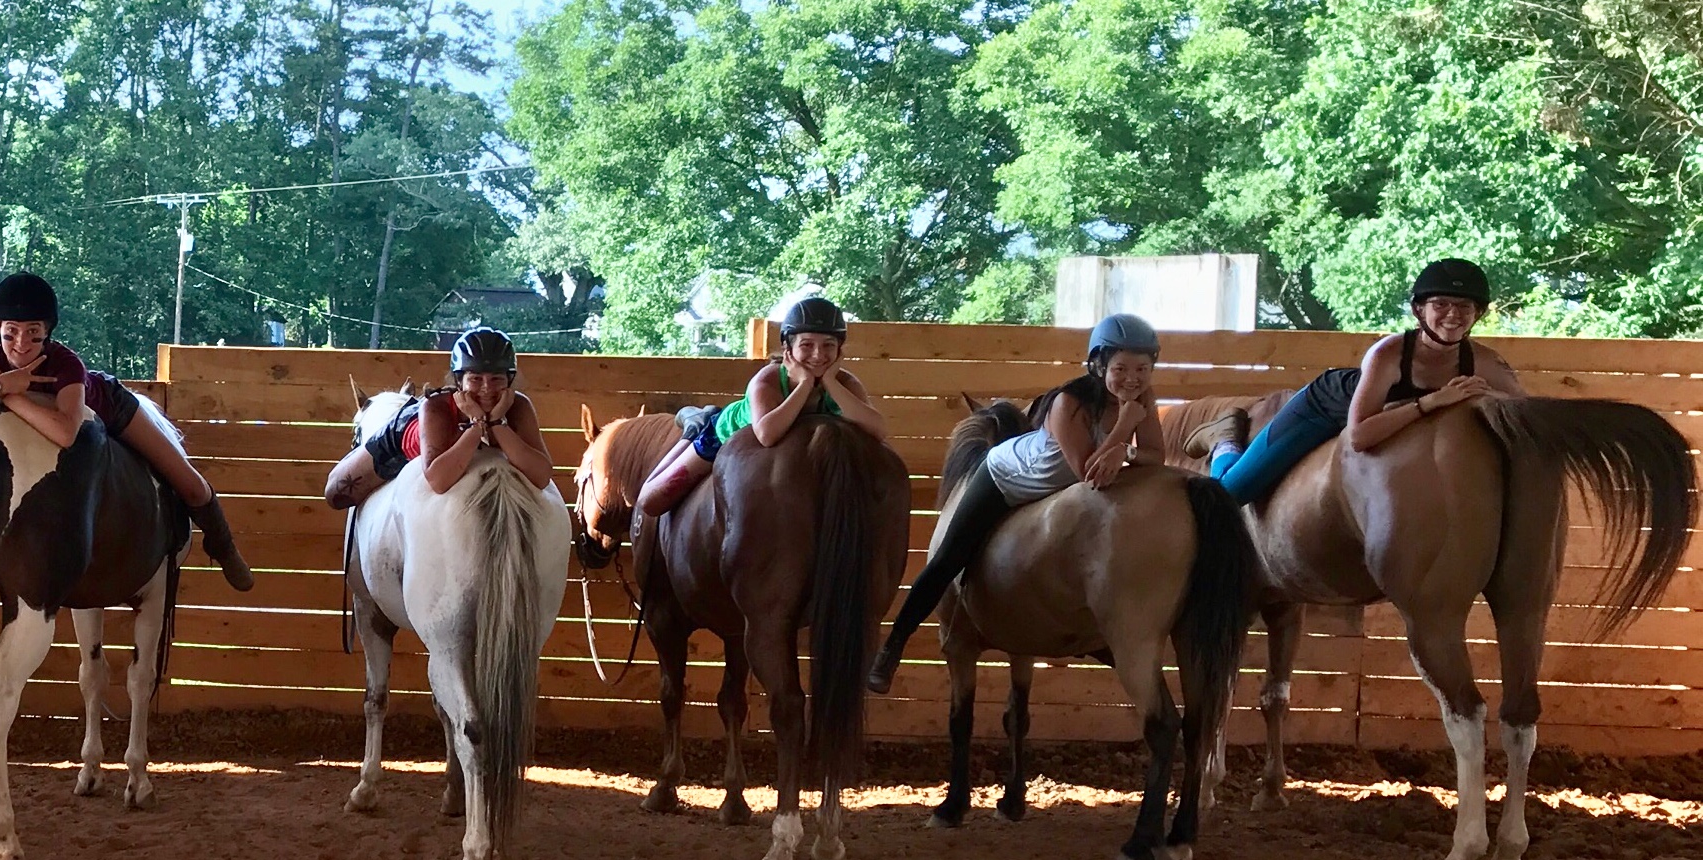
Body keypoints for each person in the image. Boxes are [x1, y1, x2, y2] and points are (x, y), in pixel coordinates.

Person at [868, 313, 1170, 693]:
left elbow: (1156, 455)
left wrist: (1125, 448)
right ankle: (893, 646)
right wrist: (1126, 427)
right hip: (1009, 477)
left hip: (1057, 491)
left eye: (1143, 368)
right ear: (1098, 366)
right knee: (949, 558)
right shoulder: (1069, 403)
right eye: (1121, 368)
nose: (1133, 379)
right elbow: (1088, 475)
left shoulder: (1142, 399)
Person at [0, 273, 257, 591]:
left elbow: (66, 432)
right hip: (15, 398)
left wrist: (9, 394)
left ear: (48, 332)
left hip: (111, 408)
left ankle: (225, 548)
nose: (21, 344)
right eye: (11, 332)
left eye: (34, 332)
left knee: (189, 484)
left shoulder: (65, 363)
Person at [1200, 258, 1526, 504]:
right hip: (1327, 407)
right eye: (1440, 304)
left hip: (1394, 422)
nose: (1453, 315)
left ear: (1477, 314)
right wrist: (1433, 401)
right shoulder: (1388, 353)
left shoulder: (1487, 362)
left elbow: (1526, 419)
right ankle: (1223, 439)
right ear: (1418, 310)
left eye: (1464, 306)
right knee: (1230, 495)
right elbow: (1359, 437)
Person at [634, 296, 892, 517]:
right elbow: (767, 435)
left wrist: (829, 383)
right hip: (724, 433)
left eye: (828, 346)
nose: (818, 354)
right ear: (788, 348)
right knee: (652, 501)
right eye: (806, 345)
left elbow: (878, 430)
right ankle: (695, 428)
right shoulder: (766, 379)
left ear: (840, 351)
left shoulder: (845, 382)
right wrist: (804, 386)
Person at [322, 328, 551, 508]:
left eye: (497, 379)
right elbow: (439, 481)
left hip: (469, 431)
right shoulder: (436, 407)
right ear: (459, 381)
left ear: (509, 381)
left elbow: (541, 476)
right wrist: (477, 426)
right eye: (475, 379)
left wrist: (495, 423)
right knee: (336, 493)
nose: (486, 389)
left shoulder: (518, 404)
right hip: (401, 438)